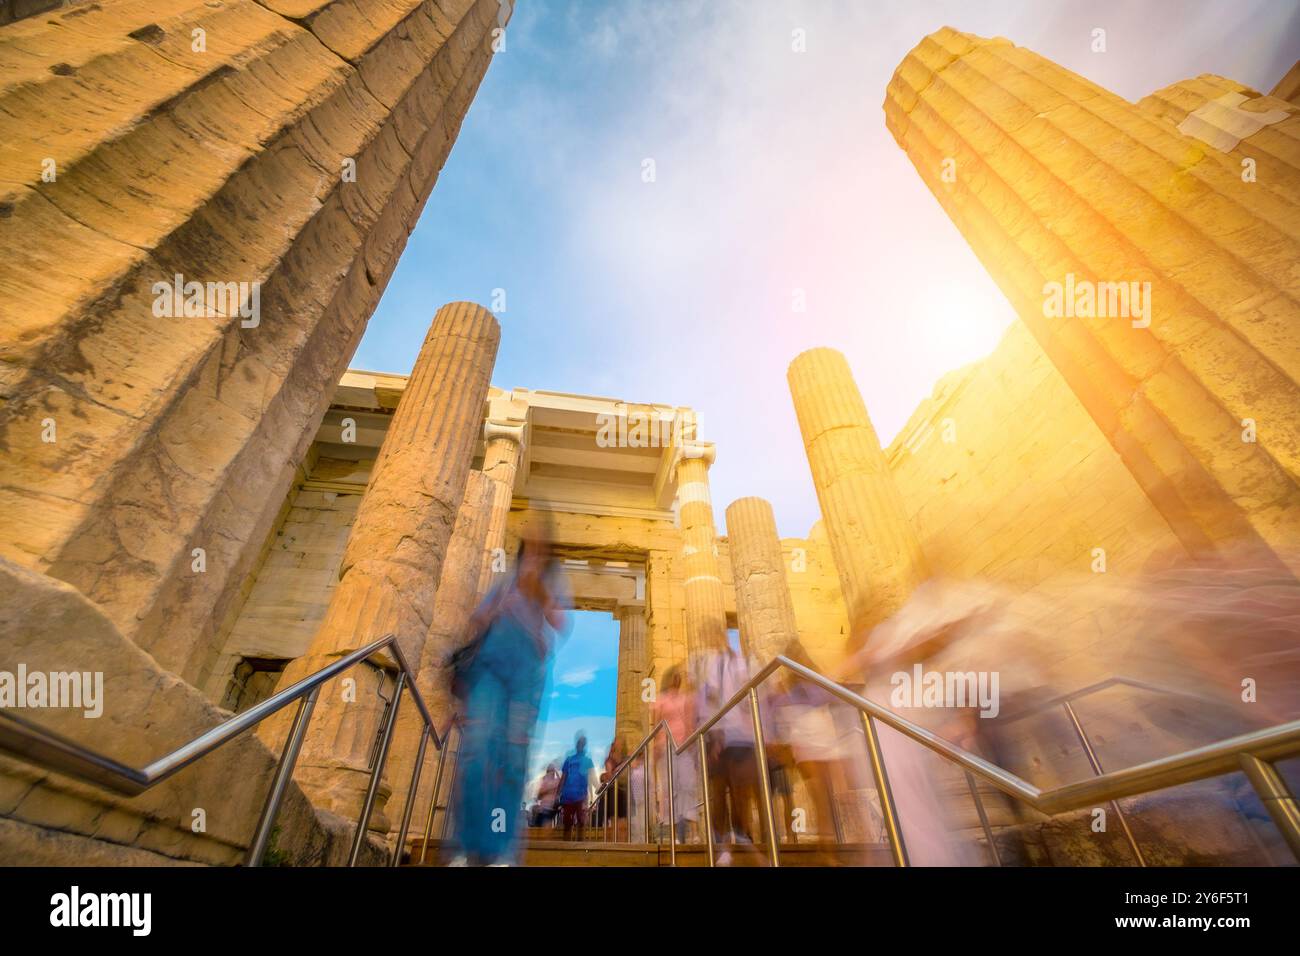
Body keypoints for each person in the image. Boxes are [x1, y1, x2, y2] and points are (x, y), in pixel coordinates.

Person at [449, 530, 569, 866]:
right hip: (489, 669)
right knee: (477, 753)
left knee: (512, 761)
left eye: (541, 552)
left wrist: (541, 597)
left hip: (524, 676)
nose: (534, 557)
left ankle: (499, 848)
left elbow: (561, 623)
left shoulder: (549, 585)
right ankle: (470, 846)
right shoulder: (505, 582)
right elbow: (477, 620)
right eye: (530, 550)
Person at [697, 644, 758, 864]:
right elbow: (708, 708)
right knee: (720, 791)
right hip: (719, 737)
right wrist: (714, 739)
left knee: (738, 789)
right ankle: (723, 843)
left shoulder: (737, 668)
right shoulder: (712, 676)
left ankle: (739, 837)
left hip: (737, 737)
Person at [651, 665, 698, 842]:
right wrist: (655, 749)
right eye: (675, 675)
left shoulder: (686, 698)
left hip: (684, 746)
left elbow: (691, 722)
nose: (677, 678)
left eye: (679, 676)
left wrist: (694, 746)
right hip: (666, 746)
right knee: (671, 789)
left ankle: (693, 832)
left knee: (688, 786)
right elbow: (656, 726)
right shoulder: (660, 700)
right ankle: (675, 834)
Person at [558, 734, 594, 840]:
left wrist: (595, 790)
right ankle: (566, 846)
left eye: (582, 743)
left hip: (581, 796)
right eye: (579, 742)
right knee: (567, 823)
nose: (580, 745)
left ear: (584, 745)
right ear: (577, 744)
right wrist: (558, 793)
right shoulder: (569, 760)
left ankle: (579, 846)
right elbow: (563, 777)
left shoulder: (588, 761)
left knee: (581, 822)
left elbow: (592, 776)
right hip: (568, 796)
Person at [531, 763, 562, 828]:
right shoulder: (544, 780)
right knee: (538, 827)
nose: (550, 773)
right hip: (543, 808)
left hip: (550, 809)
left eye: (552, 771)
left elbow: (561, 783)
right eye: (549, 771)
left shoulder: (556, 782)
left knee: (545, 827)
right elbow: (539, 796)